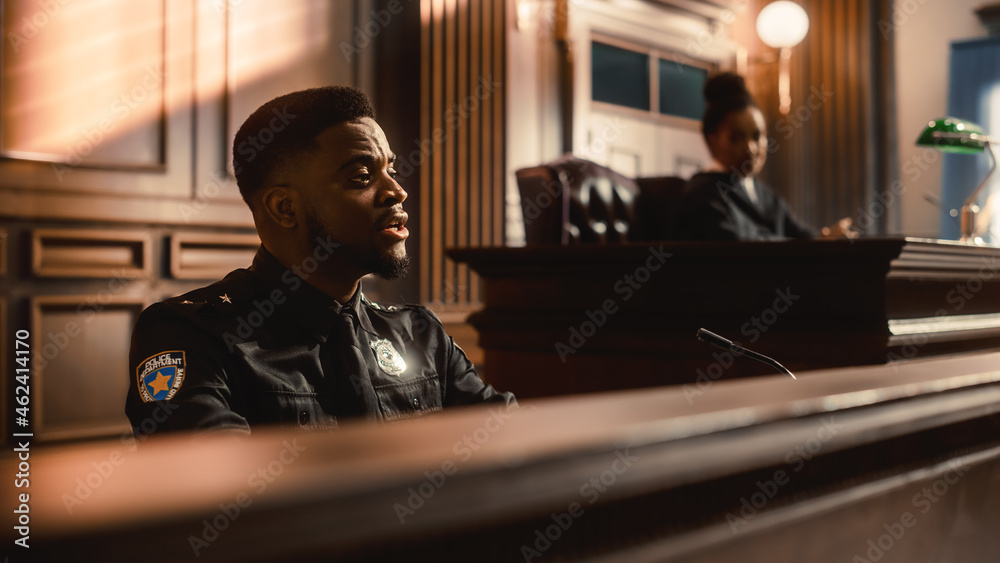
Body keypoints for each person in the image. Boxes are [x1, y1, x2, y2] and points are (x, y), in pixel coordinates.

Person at [125, 86, 514, 435]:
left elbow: (510, 440)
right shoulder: (190, 334)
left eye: (391, 170)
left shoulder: (419, 333)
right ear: (284, 208)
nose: (396, 191)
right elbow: (222, 481)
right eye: (361, 177)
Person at [674, 72, 854, 241]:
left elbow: (802, 237)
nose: (751, 148)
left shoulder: (765, 195)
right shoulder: (701, 195)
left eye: (756, 136)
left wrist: (826, 238)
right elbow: (737, 250)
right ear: (711, 139)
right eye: (737, 138)